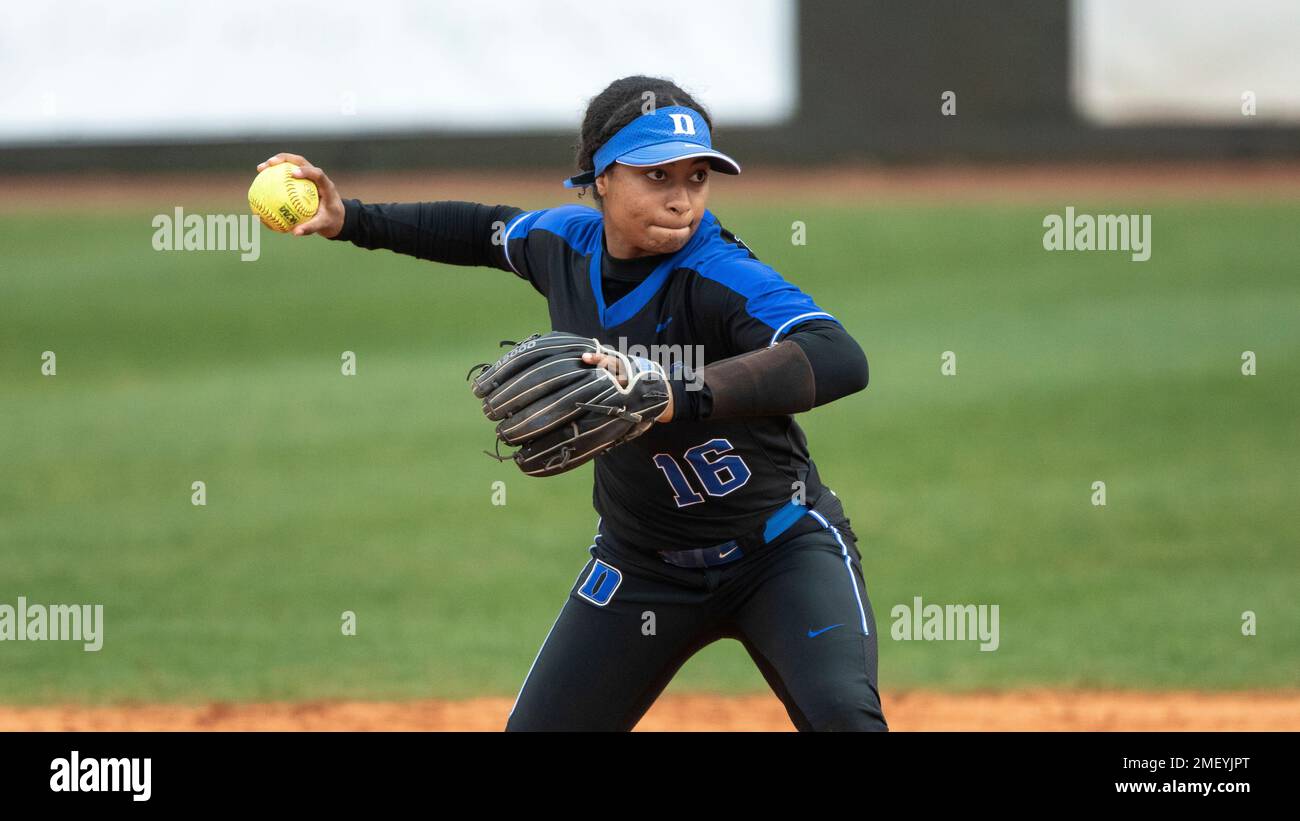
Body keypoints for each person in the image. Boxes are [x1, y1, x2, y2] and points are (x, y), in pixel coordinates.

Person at [258, 75, 887, 731]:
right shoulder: (564, 245)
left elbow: (839, 354)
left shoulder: (719, 273)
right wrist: (348, 219)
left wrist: (671, 393)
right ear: (601, 176)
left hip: (781, 552)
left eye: (697, 178)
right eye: (657, 176)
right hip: (642, 564)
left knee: (844, 717)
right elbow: (479, 230)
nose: (681, 200)